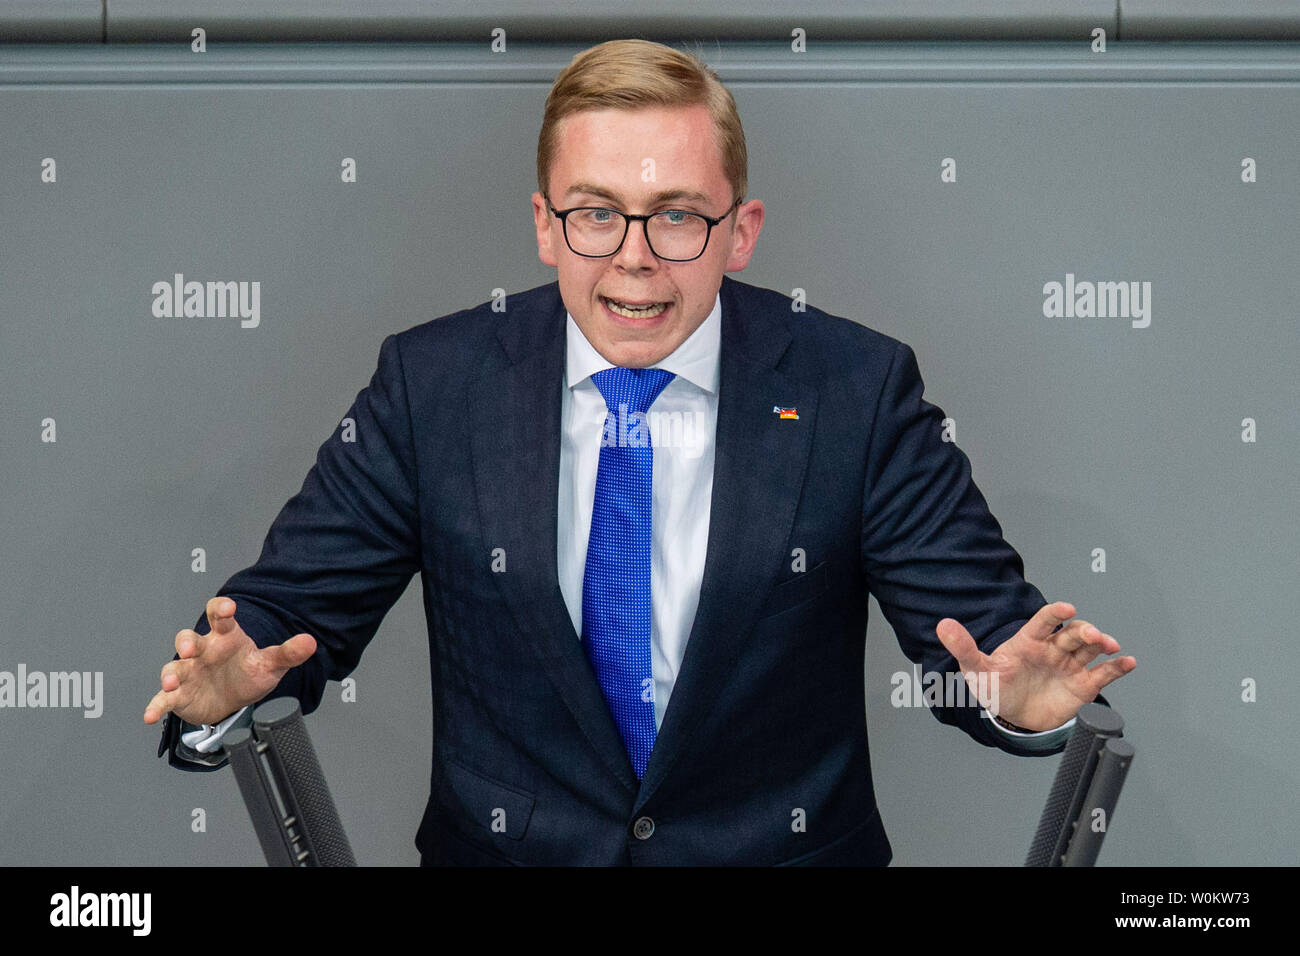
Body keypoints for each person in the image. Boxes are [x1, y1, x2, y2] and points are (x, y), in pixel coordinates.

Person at [143, 38, 1135, 865]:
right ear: (543, 224)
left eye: (676, 216)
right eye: (594, 211)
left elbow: (982, 638)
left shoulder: (853, 389)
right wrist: (229, 691)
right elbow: (281, 619)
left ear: (738, 232)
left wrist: (1011, 697)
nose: (633, 253)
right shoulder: (433, 386)